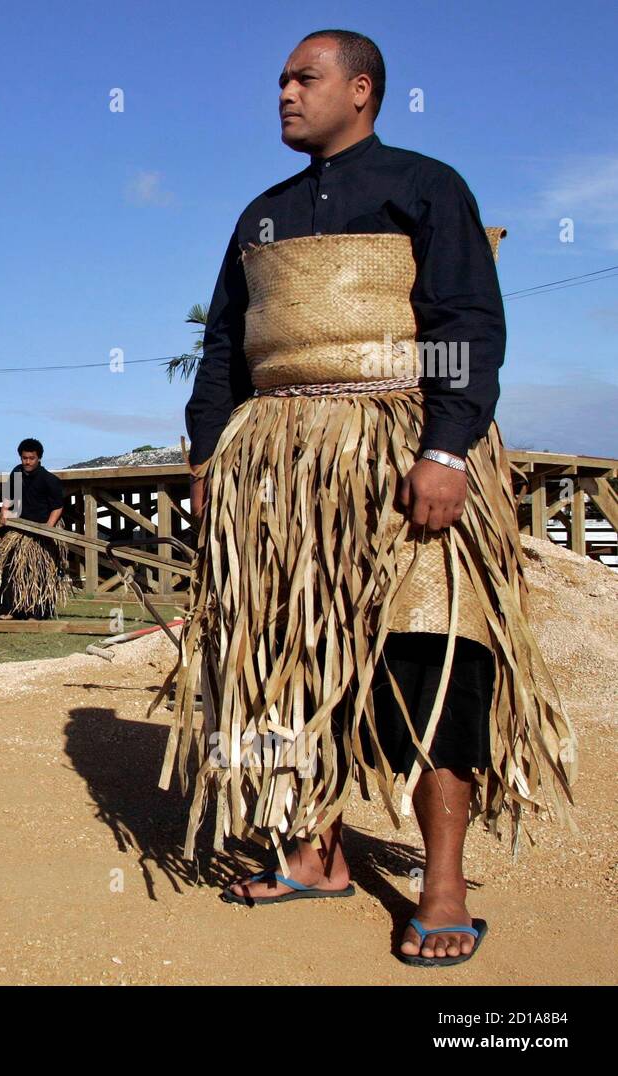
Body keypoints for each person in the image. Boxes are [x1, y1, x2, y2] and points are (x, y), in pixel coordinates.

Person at [174, 29, 573, 967]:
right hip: (280, 470)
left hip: (403, 450)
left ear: (361, 90)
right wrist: (207, 460)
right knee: (292, 652)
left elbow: (468, 325)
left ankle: (441, 882)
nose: (283, 91)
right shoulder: (259, 215)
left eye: (302, 78)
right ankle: (316, 852)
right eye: (278, 77)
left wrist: (446, 447)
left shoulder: (429, 186)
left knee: (435, 652)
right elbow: (225, 348)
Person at [0, 438, 69, 619]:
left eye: (31, 458)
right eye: (24, 458)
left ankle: (38, 612)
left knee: (40, 570)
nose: (27, 462)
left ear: (39, 458)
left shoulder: (49, 480)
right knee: (12, 567)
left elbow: (57, 506)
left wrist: (48, 528)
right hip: (20, 527)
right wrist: (5, 510)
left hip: (42, 528)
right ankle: (10, 610)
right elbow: (10, 494)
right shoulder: (17, 473)